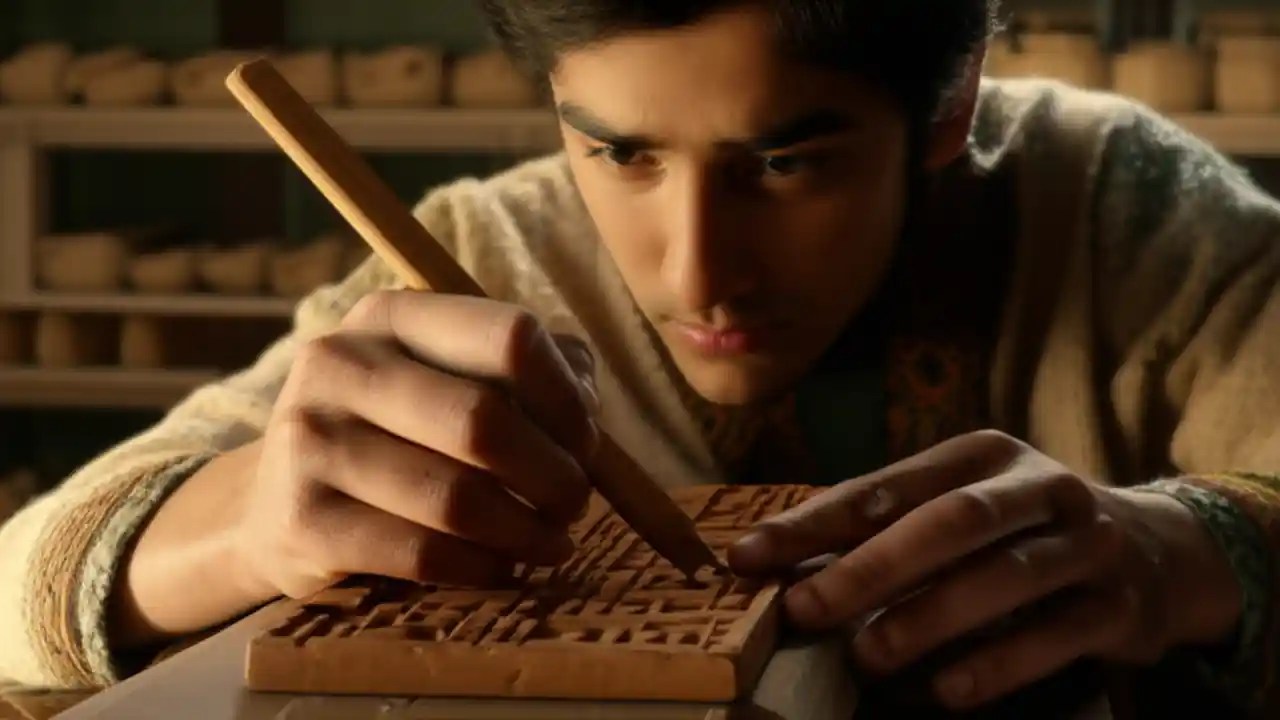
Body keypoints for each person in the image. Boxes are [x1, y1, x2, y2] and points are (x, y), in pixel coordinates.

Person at [1, 0, 1278, 714]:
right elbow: (16, 593)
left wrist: (1190, 549)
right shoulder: (481, 250)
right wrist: (244, 527)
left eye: (783, 162)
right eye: (618, 153)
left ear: (946, 106)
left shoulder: (1128, 207)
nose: (694, 272)